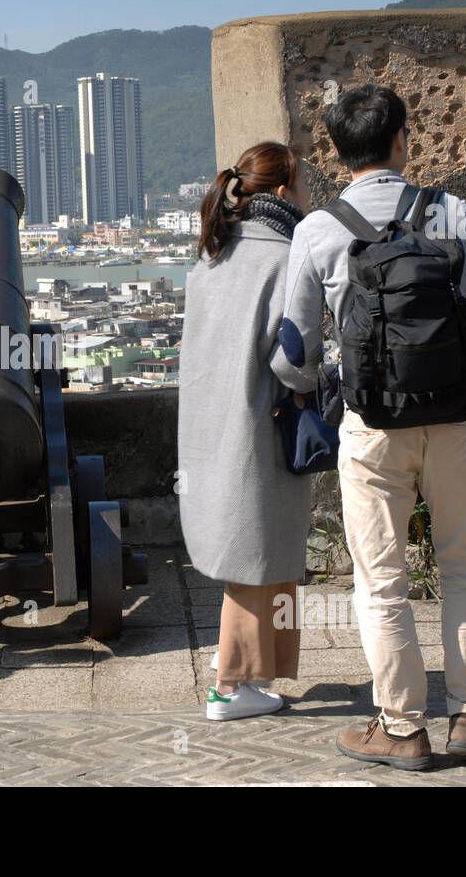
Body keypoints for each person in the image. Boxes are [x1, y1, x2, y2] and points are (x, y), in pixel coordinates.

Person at [278, 83, 466, 769]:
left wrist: (326, 379)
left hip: (372, 427)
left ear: (335, 151)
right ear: (402, 140)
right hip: (457, 419)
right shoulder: (456, 213)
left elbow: (292, 352)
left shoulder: (319, 230)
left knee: (381, 580)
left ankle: (401, 727)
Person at [178, 141, 315, 721]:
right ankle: (229, 685)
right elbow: (292, 357)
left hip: (213, 423)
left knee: (257, 549)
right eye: (305, 184)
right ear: (282, 192)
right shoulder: (286, 257)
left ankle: (254, 678)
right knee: (257, 552)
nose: (311, 195)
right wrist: (320, 376)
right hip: (264, 421)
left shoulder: (214, 253)